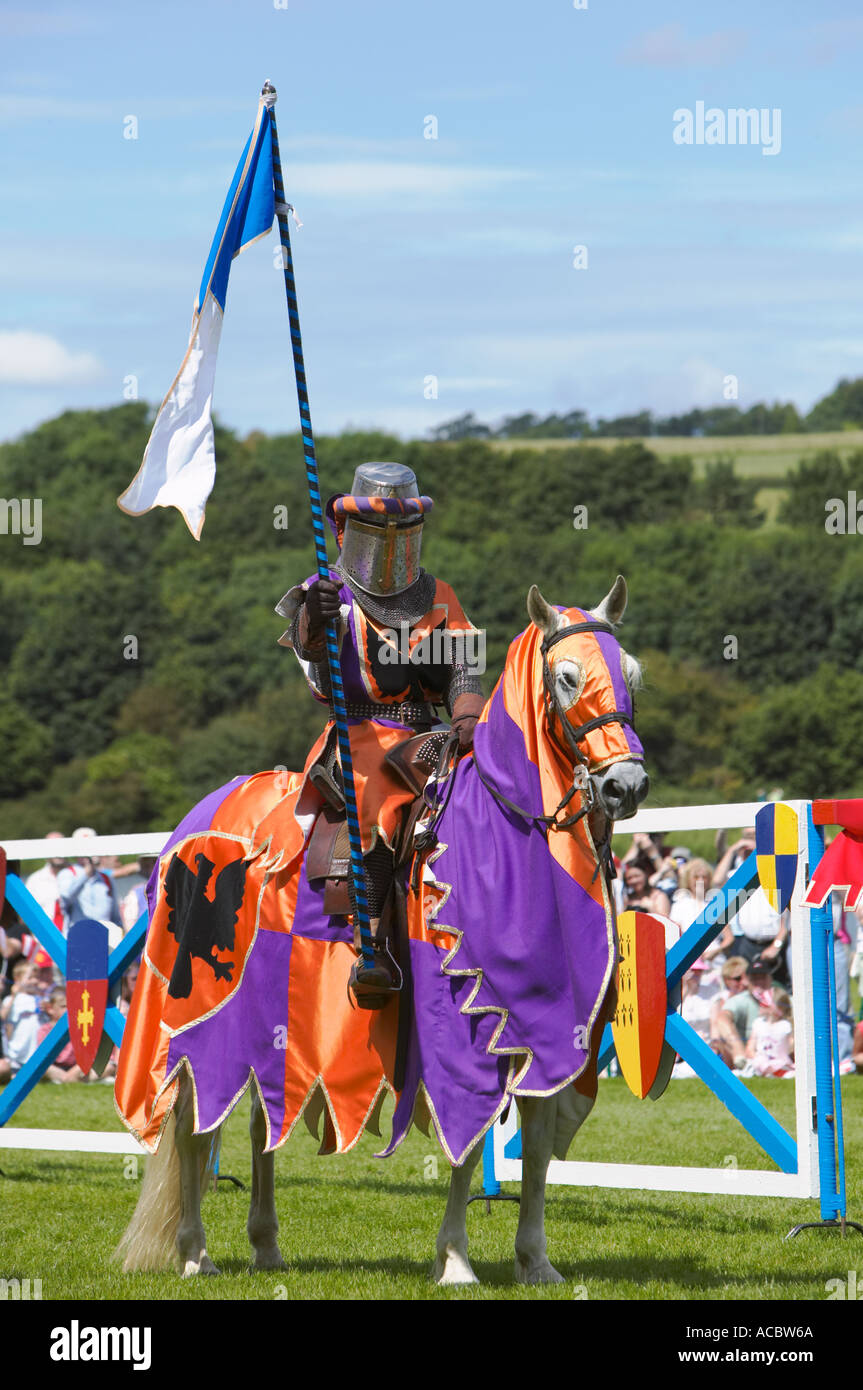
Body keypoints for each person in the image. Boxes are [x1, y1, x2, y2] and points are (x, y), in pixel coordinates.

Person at [276, 462, 485, 1007]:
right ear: (349, 532)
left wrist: (468, 715)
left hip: (433, 732)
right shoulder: (328, 595)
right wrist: (314, 626)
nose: (391, 546)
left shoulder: (439, 596)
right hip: (362, 731)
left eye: (402, 532)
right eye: (378, 532)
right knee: (379, 802)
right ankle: (369, 947)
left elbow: (462, 668)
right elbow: (318, 673)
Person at [57, 828, 123, 947]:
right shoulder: (67, 873)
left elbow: (116, 917)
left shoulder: (106, 879)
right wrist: (85, 875)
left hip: (106, 942)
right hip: (77, 941)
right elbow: (66, 896)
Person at [24, 830, 69, 936]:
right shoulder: (35, 880)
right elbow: (26, 916)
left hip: (77, 943)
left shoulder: (79, 876)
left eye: (61, 846)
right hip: (43, 945)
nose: (58, 851)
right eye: (52, 847)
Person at [745, 986, 794, 1078]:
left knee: (787, 1072)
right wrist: (754, 1056)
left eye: (764, 1004)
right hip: (760, 1061)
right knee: (759, 1063)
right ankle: (763, 1071)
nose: (760, 1005)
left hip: (780, 1062)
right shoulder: (758, 1023)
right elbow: (750, 1047)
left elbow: (792, 1047)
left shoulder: (785, 1026)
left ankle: (773, 1073)